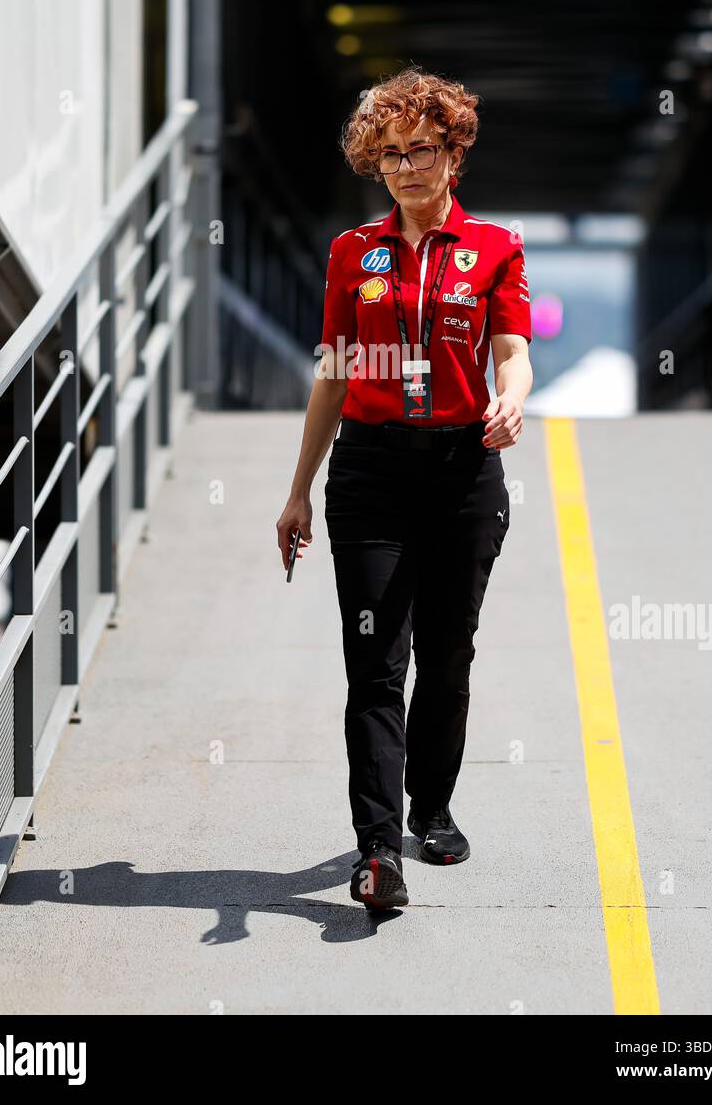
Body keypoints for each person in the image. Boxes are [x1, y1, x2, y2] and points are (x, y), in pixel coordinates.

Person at [276, 68, 533, 912]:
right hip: (371, 473)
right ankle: (378, 848)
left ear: (453, 152)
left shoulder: (494, 248)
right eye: (391, 155)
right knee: (375, 664)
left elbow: (511, 350)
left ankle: (433, 806)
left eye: (423, 149)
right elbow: (332, 375)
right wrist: (299, 490)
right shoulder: (354, 254)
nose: (408, 167)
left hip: (463, 470)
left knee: (447, 656)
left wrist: (513, 400)